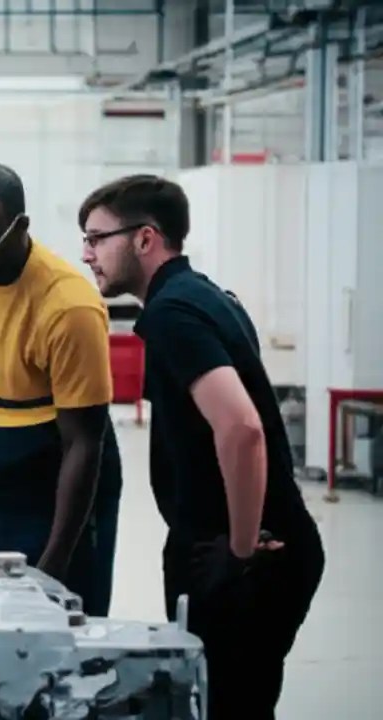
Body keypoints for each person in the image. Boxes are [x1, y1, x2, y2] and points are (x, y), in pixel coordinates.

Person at [78, 174, 323, 718]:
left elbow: (241, 429)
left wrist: (237, 552)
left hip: (244, 556)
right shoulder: (210, 296)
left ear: (145, 239)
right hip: (259, 545)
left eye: (96, 238)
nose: (86, 253)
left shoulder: (172, 314)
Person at [0, 163, 123, 618]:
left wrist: (57, 560)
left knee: (61, 624)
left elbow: (83, 442)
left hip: (61, 469)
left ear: (21, 229)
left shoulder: (68, 306)